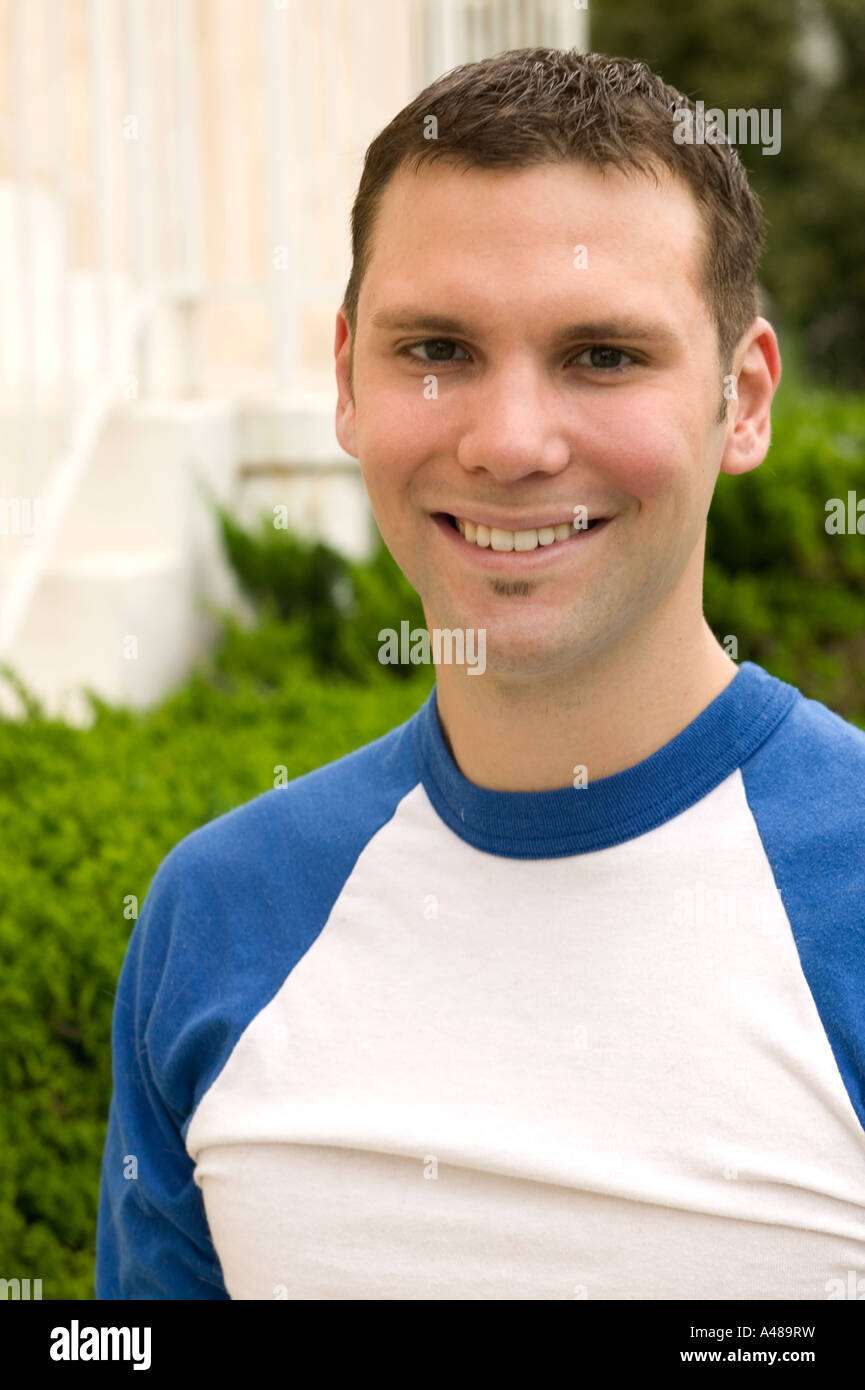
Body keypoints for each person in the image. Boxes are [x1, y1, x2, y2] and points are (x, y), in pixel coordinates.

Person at [96, 48, 865, 1300]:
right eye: (437, 347)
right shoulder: (216, 913)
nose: (509, 442)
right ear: (346, 378)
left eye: (603, 354)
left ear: (743, 399)